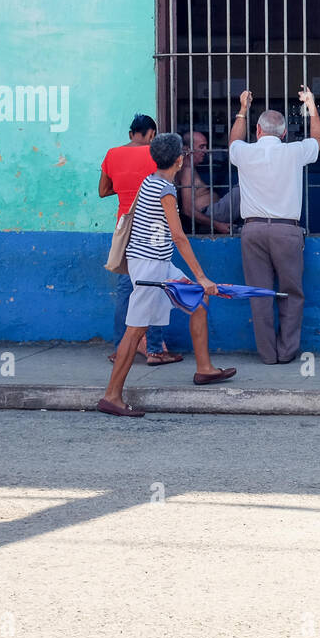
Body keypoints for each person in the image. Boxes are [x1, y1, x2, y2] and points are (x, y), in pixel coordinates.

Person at [99, 133, 236, 417]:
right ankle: (112, 396)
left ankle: (204, 369)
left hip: (157, 264)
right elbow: (179, 237)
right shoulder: (164, 189)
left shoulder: (150, 181)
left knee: (198, 302)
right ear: (179, 159)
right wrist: (202, 277)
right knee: (135, 332)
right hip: (151, 267)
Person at [229, 86, 320, 365]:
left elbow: (233, 142)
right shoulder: (293, 151)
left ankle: (267, 355)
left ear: (258, 132)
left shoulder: (245, 153)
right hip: (286, 230)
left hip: (253, 229)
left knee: (259, 293)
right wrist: (312, 106)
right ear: (283, 134)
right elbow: (318, 139)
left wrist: (242, 109)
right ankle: (287, 351)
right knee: (292, 292)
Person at [99, 114, 180, 365]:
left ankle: (119, 348)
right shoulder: (152, 156)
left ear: (130, 133)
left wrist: (124, 188)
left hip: (124, 229)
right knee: (155, 288)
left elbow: (103, 191)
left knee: (126, 291)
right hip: (152, 230)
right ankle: (154, 349)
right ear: (152, 134)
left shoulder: (112, 154)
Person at [176, 130, 242, 234]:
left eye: (206, 147)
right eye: (201, 147)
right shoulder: (187, 171)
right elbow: (187, 209)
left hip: (214, 212)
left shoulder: (191, 168)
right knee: (244, 186)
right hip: (211, 214)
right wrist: (217, 225)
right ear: (187, 149)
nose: (206, 151)